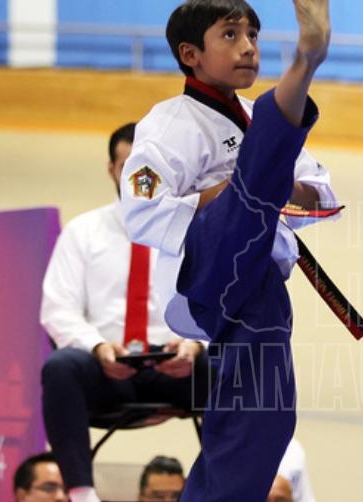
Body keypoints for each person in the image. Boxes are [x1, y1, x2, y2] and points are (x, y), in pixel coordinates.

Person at [120, 0, 337, 499]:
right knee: (258, 169)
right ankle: (306, 61)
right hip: (212, 266)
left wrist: (270, 185)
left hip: (259, 284)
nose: (248, 48)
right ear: (190, 53)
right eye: (231, 35)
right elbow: (141, 210)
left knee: (267, 421)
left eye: (254, 36)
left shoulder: (251, 122)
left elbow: (317, 191)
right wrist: (240, 188)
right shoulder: (169, 121)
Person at [40, 123, 211, 502]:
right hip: (107, 369)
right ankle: (82, 493)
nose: (139, 177)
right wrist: (97, 346)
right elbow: (58, 308)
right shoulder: (82, 232)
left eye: (148, 167)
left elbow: (213, 306)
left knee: (235, 365)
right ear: (112, 170)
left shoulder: (190, 232)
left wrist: (192, 344)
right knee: (60, 366)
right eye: (128, 166)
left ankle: (221, 488)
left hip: (175, 366)